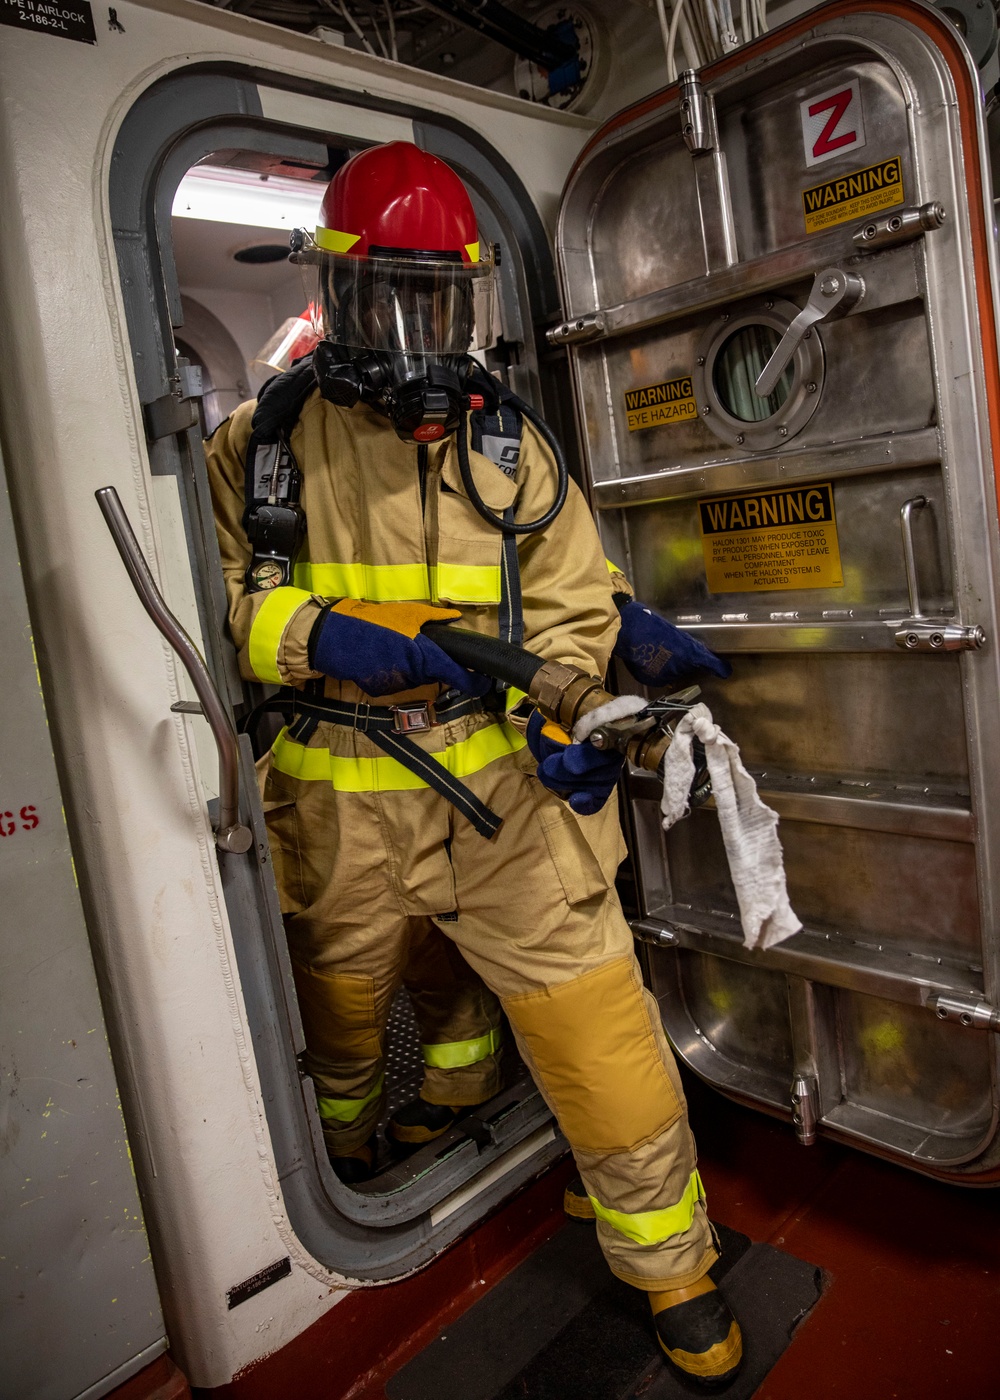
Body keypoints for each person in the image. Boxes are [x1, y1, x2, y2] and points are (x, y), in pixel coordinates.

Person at [206, 139, 741, 1386]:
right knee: (346, 1016)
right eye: (385, 299)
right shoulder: (257, 446)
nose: (412, 336)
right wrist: (313, 635)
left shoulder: (515, 449)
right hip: (340, 799)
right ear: (332, 294)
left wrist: (575, 711)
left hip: (503, 796)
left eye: (436, 304)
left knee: (603, 1033)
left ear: (472, 302)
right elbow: (207, 605)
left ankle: (674, 1264)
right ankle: (366, 1140)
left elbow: (570, 601)